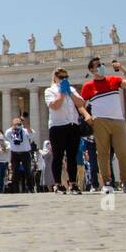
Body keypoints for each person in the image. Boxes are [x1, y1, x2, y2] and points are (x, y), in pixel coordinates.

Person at [79, 54, 126, 194]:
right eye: (98, 65)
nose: (101, 67)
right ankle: (106, 182)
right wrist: (87, 115)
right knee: (103, 153)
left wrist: (122, 69)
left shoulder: (114, 79)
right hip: (100, 121)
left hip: (118, 120)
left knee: (123, 152)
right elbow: (81, 105)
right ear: (91, 70)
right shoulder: (88, 86)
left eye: (102, 64)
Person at [45, 67, 90, 195]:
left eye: (66, 77)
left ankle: (73, 184)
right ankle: (58, 184)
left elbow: (81, 103)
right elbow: (55, 105)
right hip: (57, 126)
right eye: (61, 76)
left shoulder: (72, 90)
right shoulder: (49, 91)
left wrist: (69, 92)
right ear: (54, 77)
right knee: (58, 156)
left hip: (73, 125)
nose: (63, 79)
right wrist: (61, 92)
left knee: (72, 156)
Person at [6, 118, 34, 194]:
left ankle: (31, 188)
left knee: (28, 171)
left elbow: (32, 134)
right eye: (16, 124)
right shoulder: (10, 131)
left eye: (19, 124)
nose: (18, 125)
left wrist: (26, 125)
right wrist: (14, 127)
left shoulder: (25, 131)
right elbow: (6, 135)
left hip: (25, 153)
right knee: (15, 172)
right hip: (15, 154)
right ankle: (15, 189)